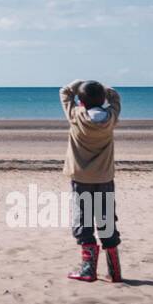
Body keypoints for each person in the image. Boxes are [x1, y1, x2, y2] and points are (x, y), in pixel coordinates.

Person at [59, 79, 123, 283]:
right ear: (103, 99)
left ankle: (88, 269)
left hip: (81, 178)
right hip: (104, 177)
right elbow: (115, 99)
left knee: (83, 220)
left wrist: (78, 85)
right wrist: (105, 89)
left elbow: (64, 92)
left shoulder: (76, 116)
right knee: (106, 220)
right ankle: (114, 271)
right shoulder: (111, 118)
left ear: (82, 102)